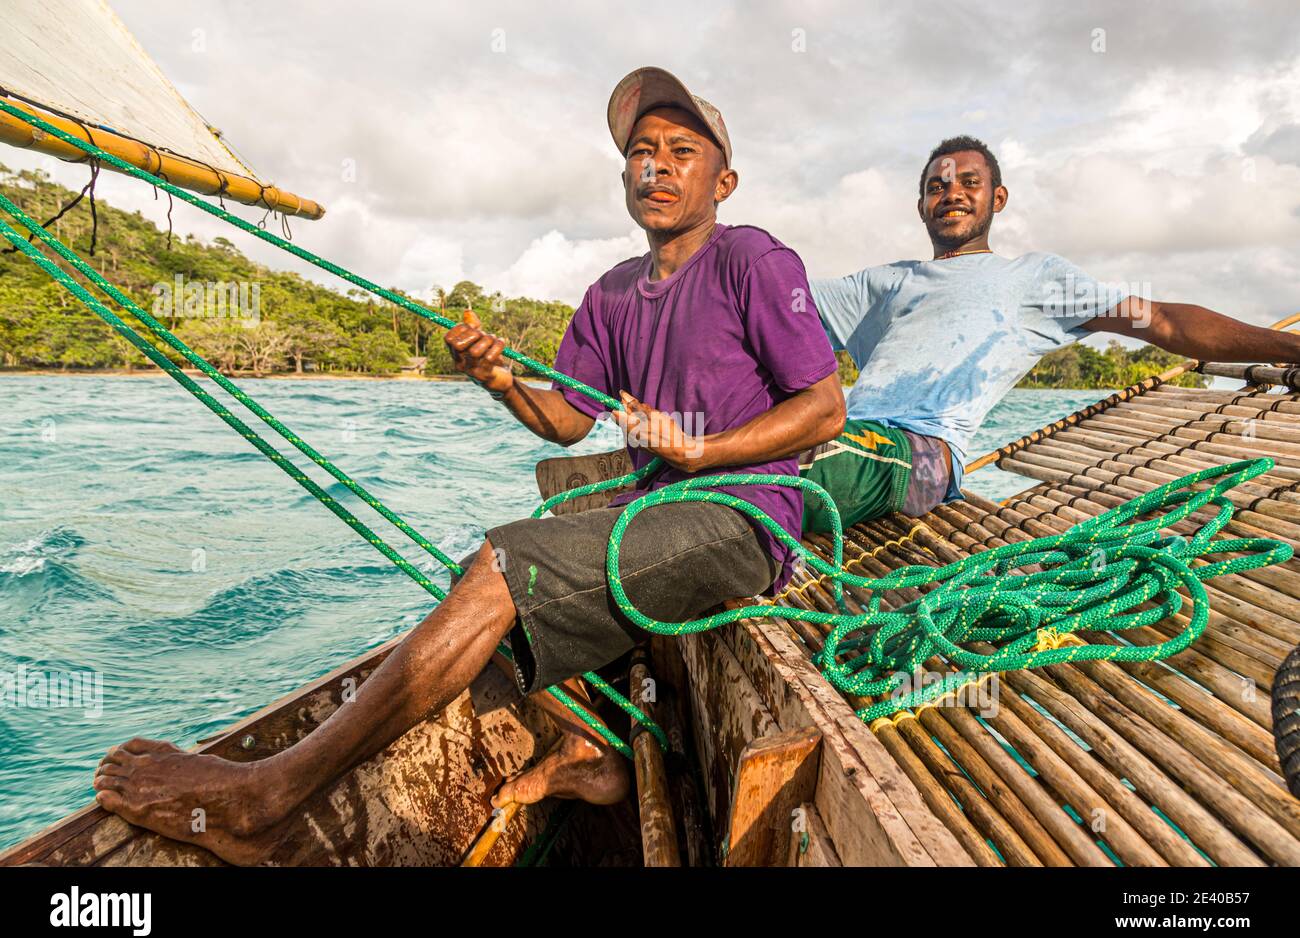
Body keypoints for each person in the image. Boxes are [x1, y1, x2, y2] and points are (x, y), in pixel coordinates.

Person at [90, 67, 844, 865]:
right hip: (658, 512)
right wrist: (499, 381)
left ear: (723, 179)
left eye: (681, 151)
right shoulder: (611, 294)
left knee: (504, 566)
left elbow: (825, 406)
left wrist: (703, 449)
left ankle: (267, 797)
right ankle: (596, 750)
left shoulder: (754, 261)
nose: (655, 166)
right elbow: (562, 421)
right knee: (479, 575)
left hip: (743, 519)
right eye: (641, 152)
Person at [803, 135, 1300, 531]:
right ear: (921, 207)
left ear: (997, 198)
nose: (951, 193)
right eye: (937, 187)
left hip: (921, 454)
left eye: (968, 183)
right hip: (849, 433)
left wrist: (1289, 347)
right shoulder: (884, 282)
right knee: (751, 434)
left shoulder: (1033, 279)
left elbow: (1164, 321)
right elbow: (770, 307)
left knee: (783, 457)